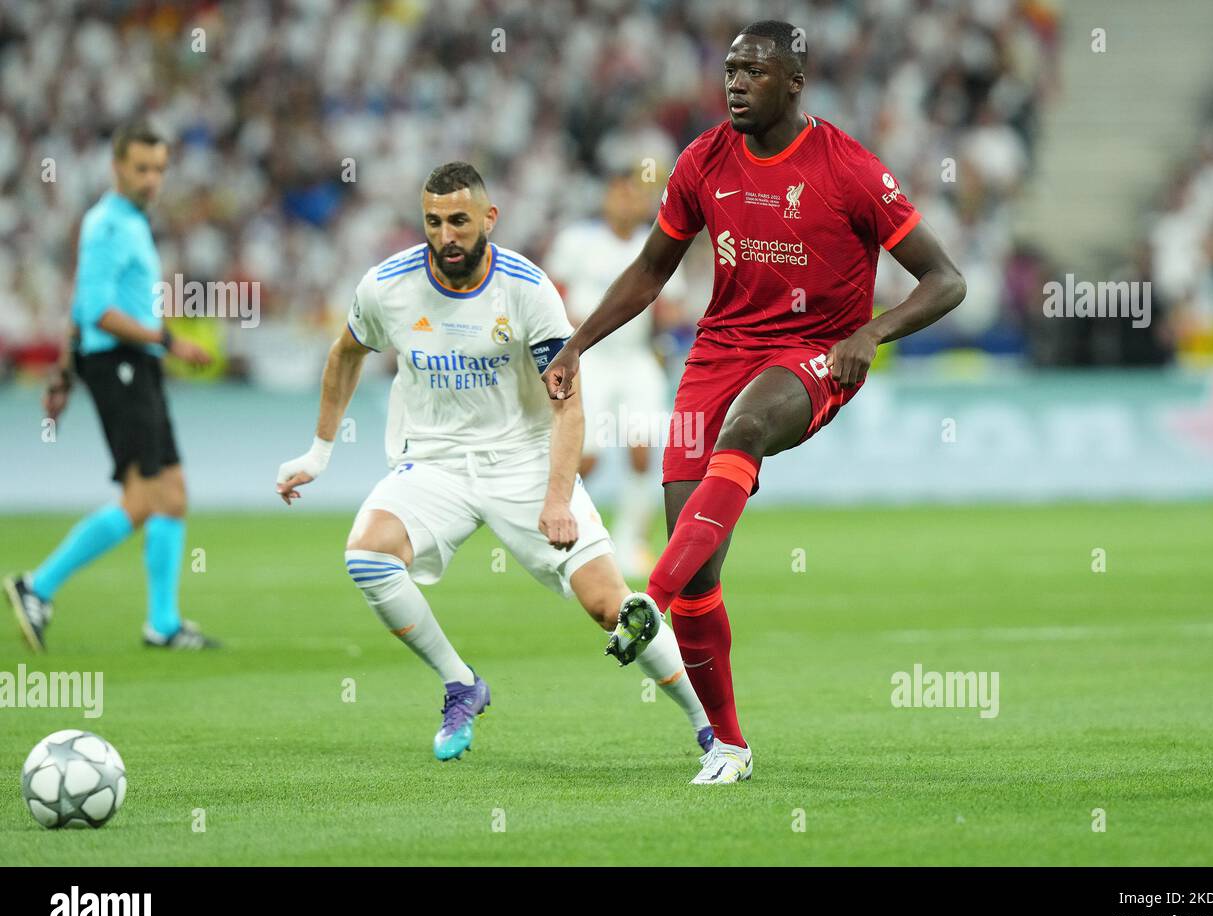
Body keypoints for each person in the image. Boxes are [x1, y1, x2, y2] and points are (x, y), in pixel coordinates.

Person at [544, 22, 967, 784]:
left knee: (747, 429)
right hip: (718, 353)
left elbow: (946, 279)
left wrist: (874, 332)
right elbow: (650, 270)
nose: (736, 83)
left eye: (755, 72)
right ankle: (730, 746)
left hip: (817, 353)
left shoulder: (850, 169)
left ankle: (654, 598)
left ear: (794, 83)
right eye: (731, 70)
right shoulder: (703, 161)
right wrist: (578, 344)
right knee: (704, 568)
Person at [275, 162, 712, 762]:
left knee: (613, 607)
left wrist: (557, 498)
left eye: (458, 220)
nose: (445, 235)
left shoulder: (528, 289)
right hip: (434, 463)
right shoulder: (388, 286)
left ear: (489, 218)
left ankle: (706, 724)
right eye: (433, 222)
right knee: (367, 555)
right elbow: (345, 353)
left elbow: (568, 404)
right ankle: (461, 683)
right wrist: (319, 452)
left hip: (524, 460)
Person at [5, 120, 216, 652]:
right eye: (142, 168)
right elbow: (98, 312)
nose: (151, 179)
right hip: (119, 362)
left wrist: (60, 372)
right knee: (143, 498)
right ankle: (37, 585)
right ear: (117, 167)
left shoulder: (131, 221)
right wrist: (169, 341)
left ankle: (162, 625)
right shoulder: (106, 225)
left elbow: (80, 304)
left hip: (132, 363)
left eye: (160, 170)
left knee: (173, 495)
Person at [544, 173, 689, 578]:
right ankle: (561, 530)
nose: (627, 204)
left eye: (635, 197)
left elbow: (672, 306)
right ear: (607, 198)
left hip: (637, 358)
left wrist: (668, 325)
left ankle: (630, 544)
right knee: (586, 457)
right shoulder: (578, 241)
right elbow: (552, 290)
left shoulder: (658, 241)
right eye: (620, 194)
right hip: (588, 356)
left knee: (642, 451)